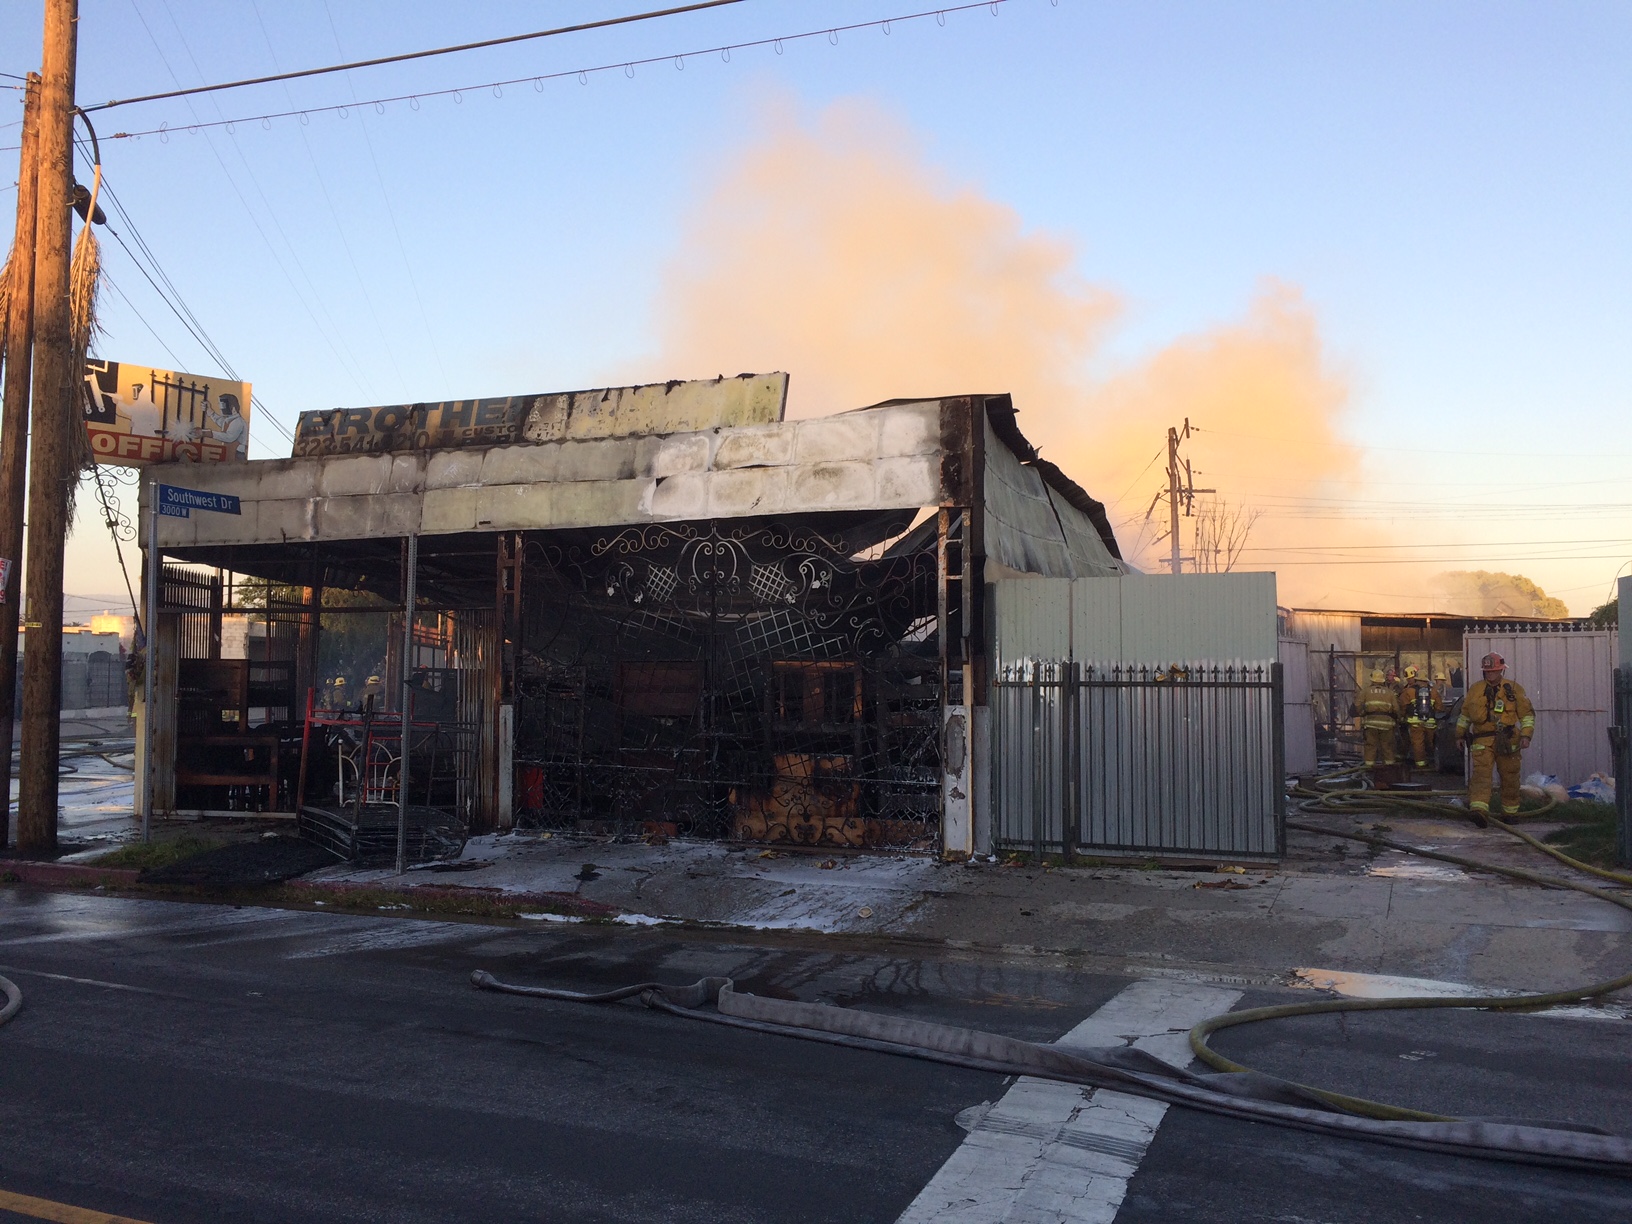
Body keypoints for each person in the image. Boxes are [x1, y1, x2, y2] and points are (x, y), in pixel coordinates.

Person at [1456, 651, 1535, 822]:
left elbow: (1527, 715)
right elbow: (1465, 715)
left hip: (1508, 739)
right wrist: (1460, 735)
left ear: (1501, 670)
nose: (1490, 674)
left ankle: (1510, 813)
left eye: (1494, 671)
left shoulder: (1514, 689)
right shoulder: (1475, 690)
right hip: (1482, 740)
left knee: (1510, 776)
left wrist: (1526, 736)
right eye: (1487, 671)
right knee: (1481, 776)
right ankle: (1478, 810)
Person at [1397, 665, 1444, 768]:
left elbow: (1402, 705)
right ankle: (1432, 761)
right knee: (1430, 743)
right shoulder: (1434, 692)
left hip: (1415, 723)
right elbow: (1439, 708)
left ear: (1416, 679)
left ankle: (1421, 764)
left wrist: (1402, 716)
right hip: (1430, 723)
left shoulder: (1408, 691)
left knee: (1418, 744)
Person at [1359, 667, 1398, 767]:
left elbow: (1357, 704)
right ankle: (1389, 768)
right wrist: (1398, 719)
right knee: (1387, 747)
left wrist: (1362, 713)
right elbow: (1396, 708)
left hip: (1371, 723)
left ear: (1372, 679)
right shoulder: (1390, 692)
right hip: (1387, 724)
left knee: (1371, 746)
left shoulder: (1366, 691)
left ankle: (1369, 767)